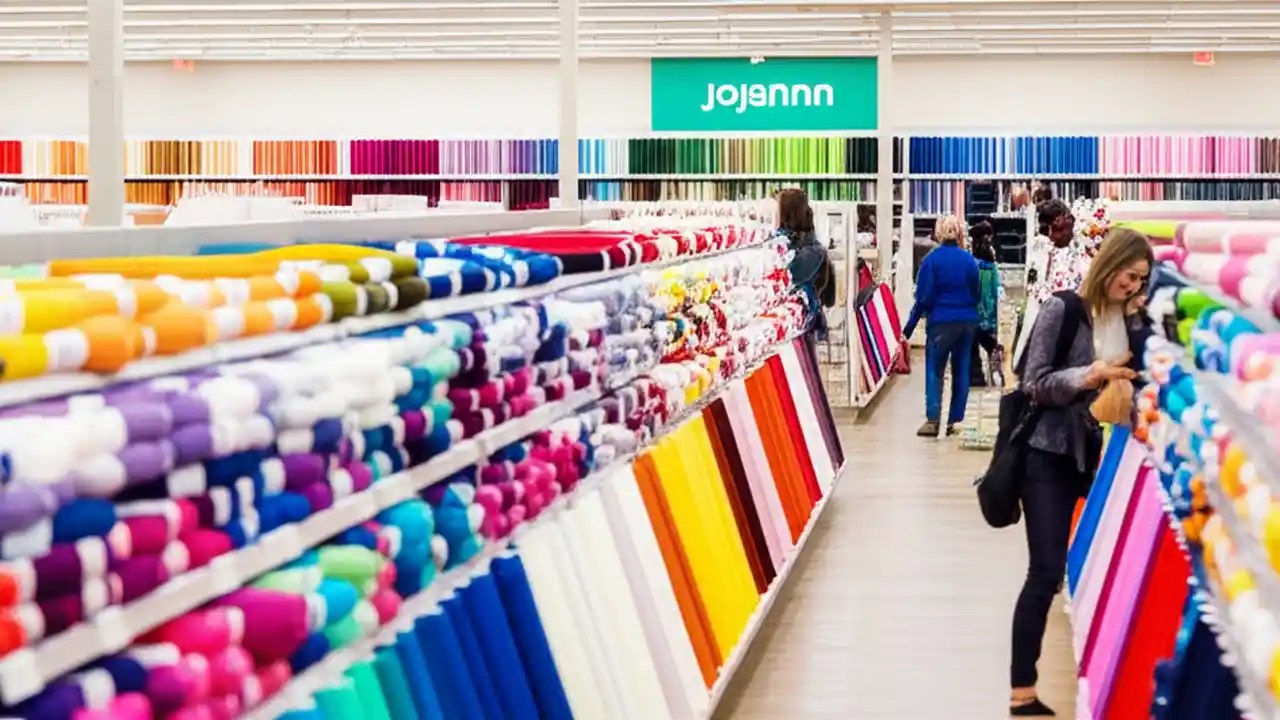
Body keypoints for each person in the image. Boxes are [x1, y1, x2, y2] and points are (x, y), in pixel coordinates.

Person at [1008, 227, 1153, 716]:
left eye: (1141, 281)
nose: (1132, 287)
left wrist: (1142, 325)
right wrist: (1090, 376)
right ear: (1110, 265)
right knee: (1045, 570)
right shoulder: (1063, 309)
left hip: (1100, 454)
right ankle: (1022, 690)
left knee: (1099, 559)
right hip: (1047, 454)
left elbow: (1147, 374)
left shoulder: (1129, 319)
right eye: (1129, 276)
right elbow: (1032, 382)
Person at [902, 215, 980, 437]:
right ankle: (954, 420)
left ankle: (933, 420)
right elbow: (976, 293)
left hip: (941, 322)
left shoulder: (931, 260)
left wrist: (908, 329)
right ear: (959, 233)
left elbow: (923, 298)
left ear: (938, 233)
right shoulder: (969, 261)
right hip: (966, 322)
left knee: (935, 369)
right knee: (961, 369)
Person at [777, 188, 833, 339]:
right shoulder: (791, 242)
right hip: (793, 320)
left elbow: (788, 278)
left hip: (800, 322)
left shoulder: (811, 251)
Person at [968, 221, 1005, 388]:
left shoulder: (970, 264)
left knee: (972, 346)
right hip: (988, 314)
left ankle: (976, 378)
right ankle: (996, 369)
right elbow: (997, 289)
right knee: (990, 343)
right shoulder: (991, 265)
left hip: (972, 314)